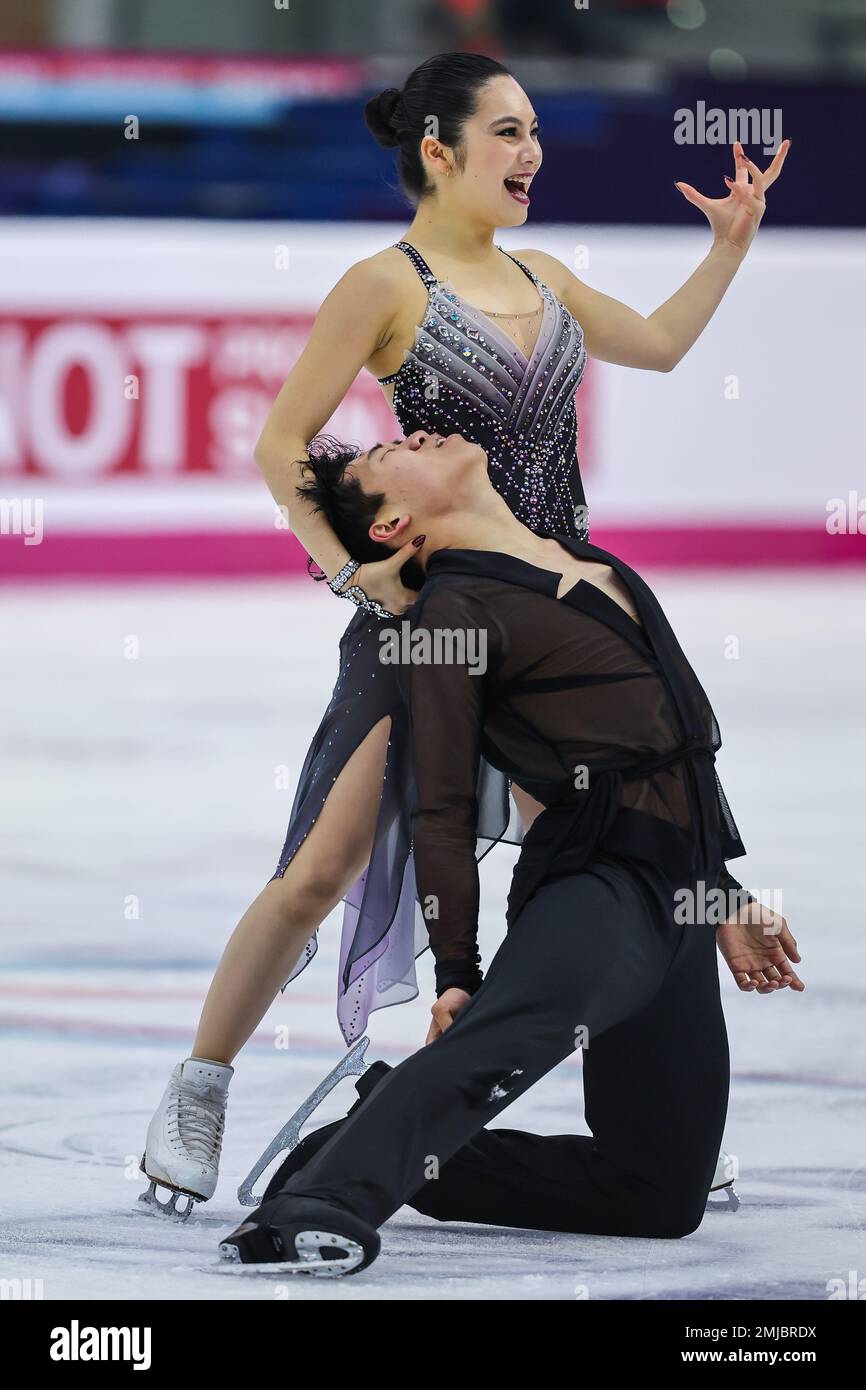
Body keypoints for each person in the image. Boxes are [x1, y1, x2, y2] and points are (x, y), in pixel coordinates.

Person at [138, 50, 791, 1218]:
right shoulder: (382, 284)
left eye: (534, 129)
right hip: (436, 626)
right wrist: (357, 577)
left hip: (554, 639)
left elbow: (658, 344)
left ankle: (650, 1113)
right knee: (320, 872)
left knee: (614, 860)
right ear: (437, 151)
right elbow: (281, 448)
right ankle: (201, 1085)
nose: (529, 151)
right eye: (505, 132)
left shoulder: (542, 276)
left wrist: (730, 245)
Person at [217, 428, 803, 1276]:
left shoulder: (590, 561)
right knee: (501, 1040)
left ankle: (383, 1137)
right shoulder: (455, 613)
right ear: (394, 525)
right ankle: (315, 1205)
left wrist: (721, 896)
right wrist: (458, 967)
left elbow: (665, 758)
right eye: (386, 456)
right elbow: (444, 807)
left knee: (660, 1196)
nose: (405, 435)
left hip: (676, 892)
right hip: (593, 885)